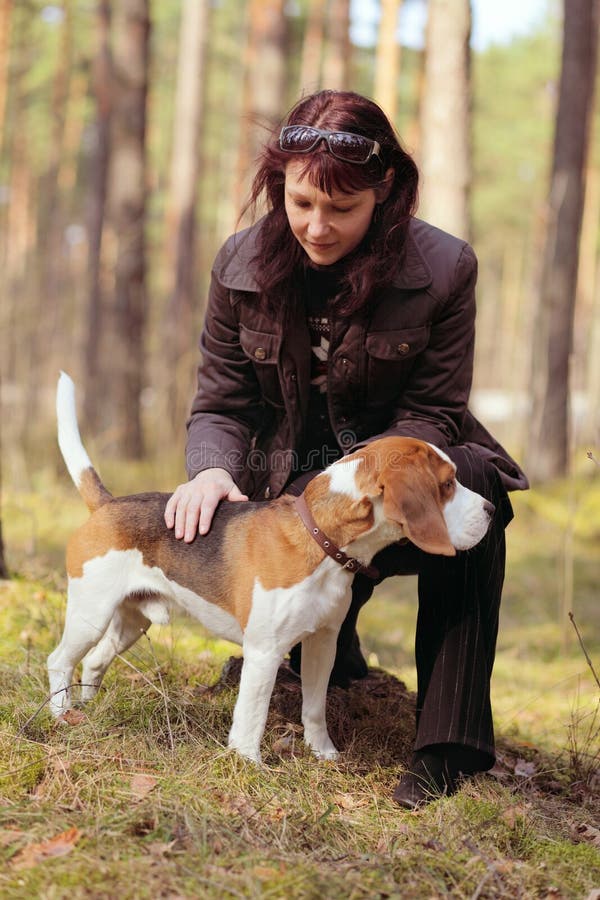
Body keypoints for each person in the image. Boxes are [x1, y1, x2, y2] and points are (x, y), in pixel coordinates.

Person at [164, 89, 528, 809]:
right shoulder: (240, 263)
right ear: (280, 185)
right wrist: (210, 471)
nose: (316, 225)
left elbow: (433, 412)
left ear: (384, 191)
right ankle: (329, 652)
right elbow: (221, 404)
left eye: (341, 208)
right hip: (286, 486)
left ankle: (447, 745)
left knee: (477, 489)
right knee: (291, 526)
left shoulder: (445, 267)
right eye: (301, 202)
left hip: (398, 468)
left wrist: (365, 480)